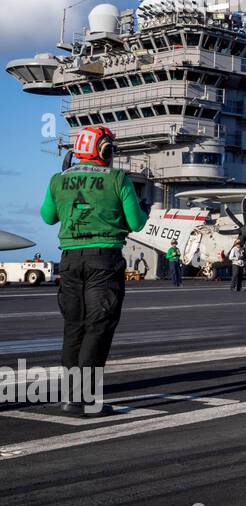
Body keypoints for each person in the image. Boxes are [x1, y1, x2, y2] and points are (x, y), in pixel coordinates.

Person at [40, 125, 147, 417]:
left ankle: (70, 396)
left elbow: (47, 217)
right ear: (104, 150)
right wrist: (142, 207)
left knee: (73, 327)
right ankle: (84, 400)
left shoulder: (57, 179)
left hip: (70, 260)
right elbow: (137, 224)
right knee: (97, 327)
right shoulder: (118, 178)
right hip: (104, 260)